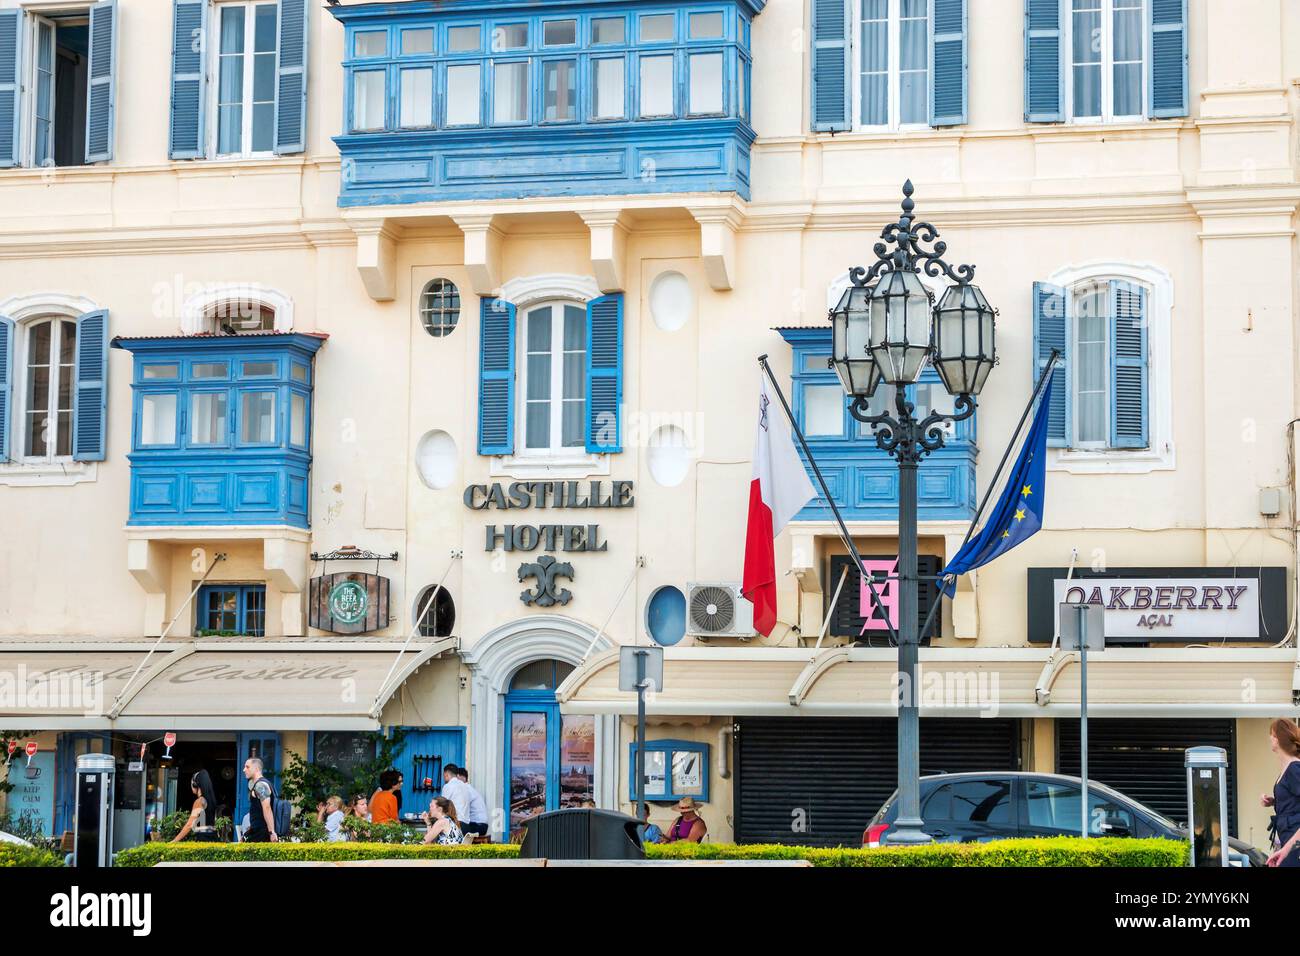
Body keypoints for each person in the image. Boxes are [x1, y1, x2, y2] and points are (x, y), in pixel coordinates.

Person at [1264, 717, 1300, 867]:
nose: (1270, 738)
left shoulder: (1294, 769)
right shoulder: (1288, 769)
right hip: (1288, 843)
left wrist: (1287, 849)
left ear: (1278, 738)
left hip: (1295, 845)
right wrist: (1274, 800)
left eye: (1271, 734)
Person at [172, 769, 220, 843]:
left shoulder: (199, 801)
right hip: (213, 838)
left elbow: (189, 825)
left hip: (203, 840)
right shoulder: (212, 801)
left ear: (195, 784)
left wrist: (174, 841)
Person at [242, 756, 279, 843]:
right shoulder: (262, 783)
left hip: (262, 834)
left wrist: (272, 832)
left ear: (257, 769)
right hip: (258, 832)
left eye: (247, 767)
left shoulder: (261, 785)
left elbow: (267, 808)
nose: (244, 770)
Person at [451, 765, 491, 838]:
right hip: (481, 826)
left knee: (453, 827)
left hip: (478, 826)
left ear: (460, 777)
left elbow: (460, 810)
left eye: (456, 778)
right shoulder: (469, 789)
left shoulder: (465, 789)